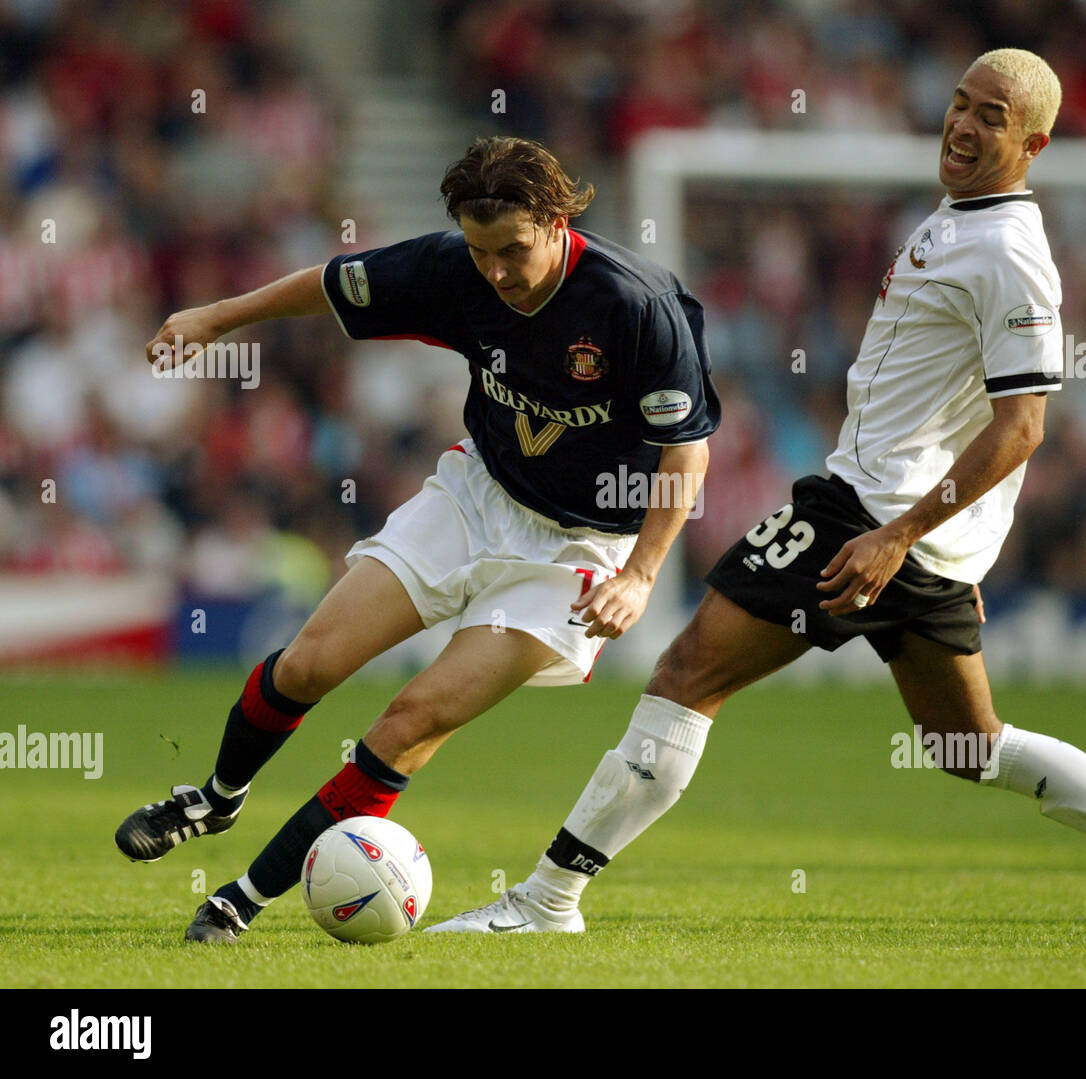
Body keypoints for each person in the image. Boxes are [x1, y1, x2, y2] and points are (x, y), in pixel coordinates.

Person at [429, 49, 1086, 937]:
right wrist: (947, 545)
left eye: (991, 118)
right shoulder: (960, 219)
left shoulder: (1010, 254)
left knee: (685, 674)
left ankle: (548, 900)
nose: (963, 125)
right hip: (907, 530)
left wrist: (902, 534)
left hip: (864, 513)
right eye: (958, 103)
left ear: (1035, 142)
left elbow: (1023, 428)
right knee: (966, 745)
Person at [114, 135, 719, 942]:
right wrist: (216, 318)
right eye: (481, 251)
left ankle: (239, 901)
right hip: (475, 495)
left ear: (555, 219)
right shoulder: (455, 269)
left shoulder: (631, 304)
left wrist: (643, 573)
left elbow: (688, 448)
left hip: (577, 551)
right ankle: (216, 797)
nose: (497, 271)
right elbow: (332, 287)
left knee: (410, 721)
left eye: (512, 249)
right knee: (308, 663)